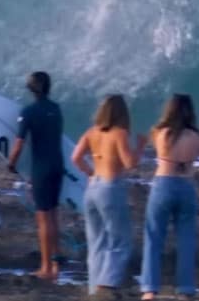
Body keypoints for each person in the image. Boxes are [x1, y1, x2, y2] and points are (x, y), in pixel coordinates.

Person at [71, 95, 147, 296]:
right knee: (120, 240)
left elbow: (75, 157)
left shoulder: (92, 132)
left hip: (92, 189)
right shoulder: (119, 133)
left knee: (96, 241)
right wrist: (140, 146)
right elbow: (129, 163)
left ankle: (94, 288)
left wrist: (89, 172)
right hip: (110, 188)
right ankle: (107, 284)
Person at [139, 94, 199, 301]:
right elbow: (196, 156)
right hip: (186, 186)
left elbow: (154, 146)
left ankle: (150, 290)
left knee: (154, 237)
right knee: (186, 240)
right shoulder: (197, 137)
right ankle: (185, 290)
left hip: (163, 184)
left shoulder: (160, 132)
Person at [6, 71, 65, 281]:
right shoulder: (56, 109)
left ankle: (45, 268)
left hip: (41, 169)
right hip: (58, 166)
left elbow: (19, 143)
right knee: (53, 215)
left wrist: (11, 163)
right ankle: (56, 266)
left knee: (43, 218)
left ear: (31, 89)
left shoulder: (29, 112)